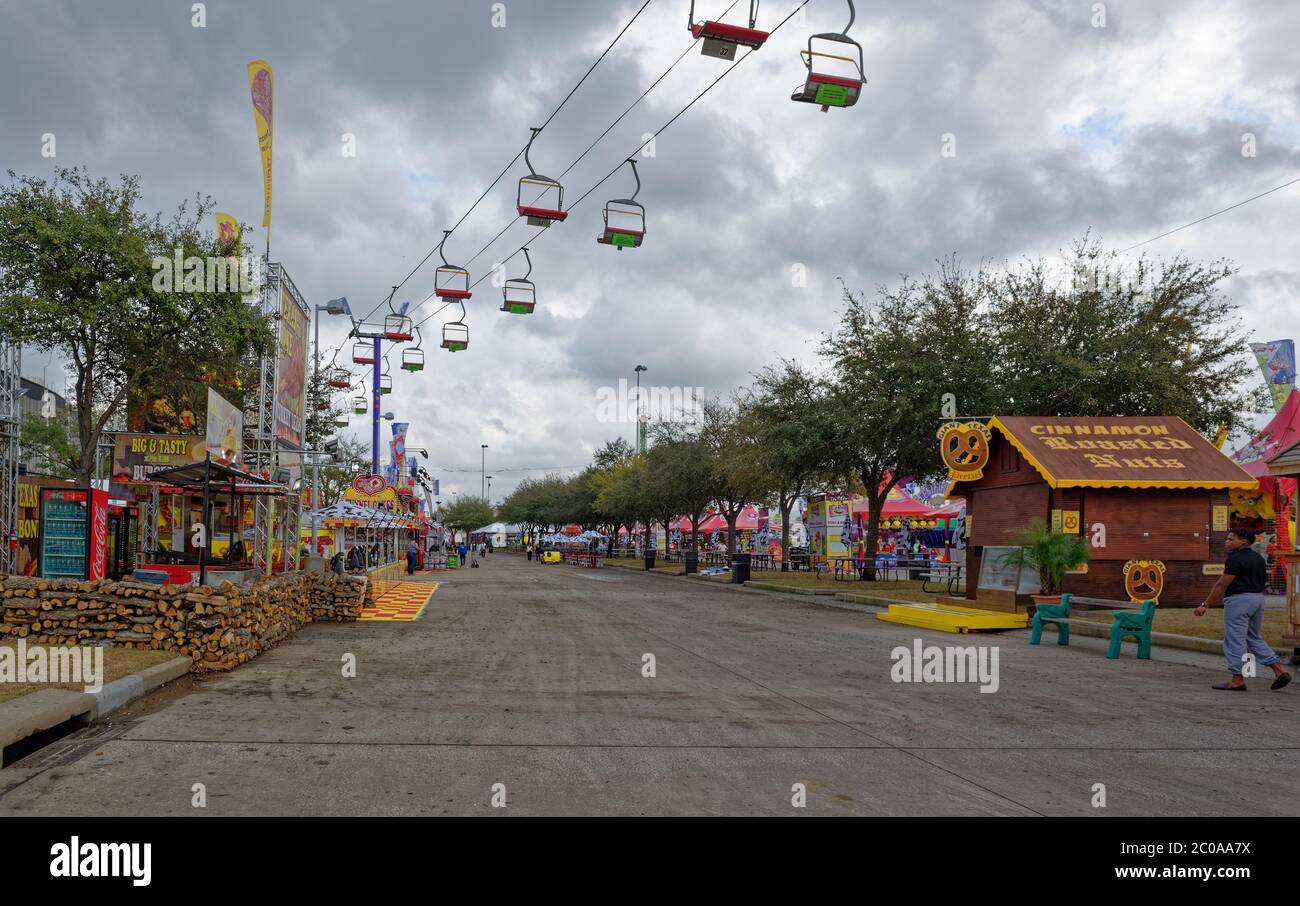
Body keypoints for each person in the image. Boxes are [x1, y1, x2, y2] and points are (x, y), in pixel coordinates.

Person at [1195, 527, 1292, 691]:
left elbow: (1221, 584)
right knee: (1252, 637)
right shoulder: (1258, 558)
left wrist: (1205, 605)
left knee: (1234, 640)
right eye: (1227, 539)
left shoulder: (1234, 559)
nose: (1227, 541)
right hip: (1258, 600)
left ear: (1244, 541)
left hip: (1239, 600)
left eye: (1231, 539)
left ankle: (1237, 679)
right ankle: (1279, 671)